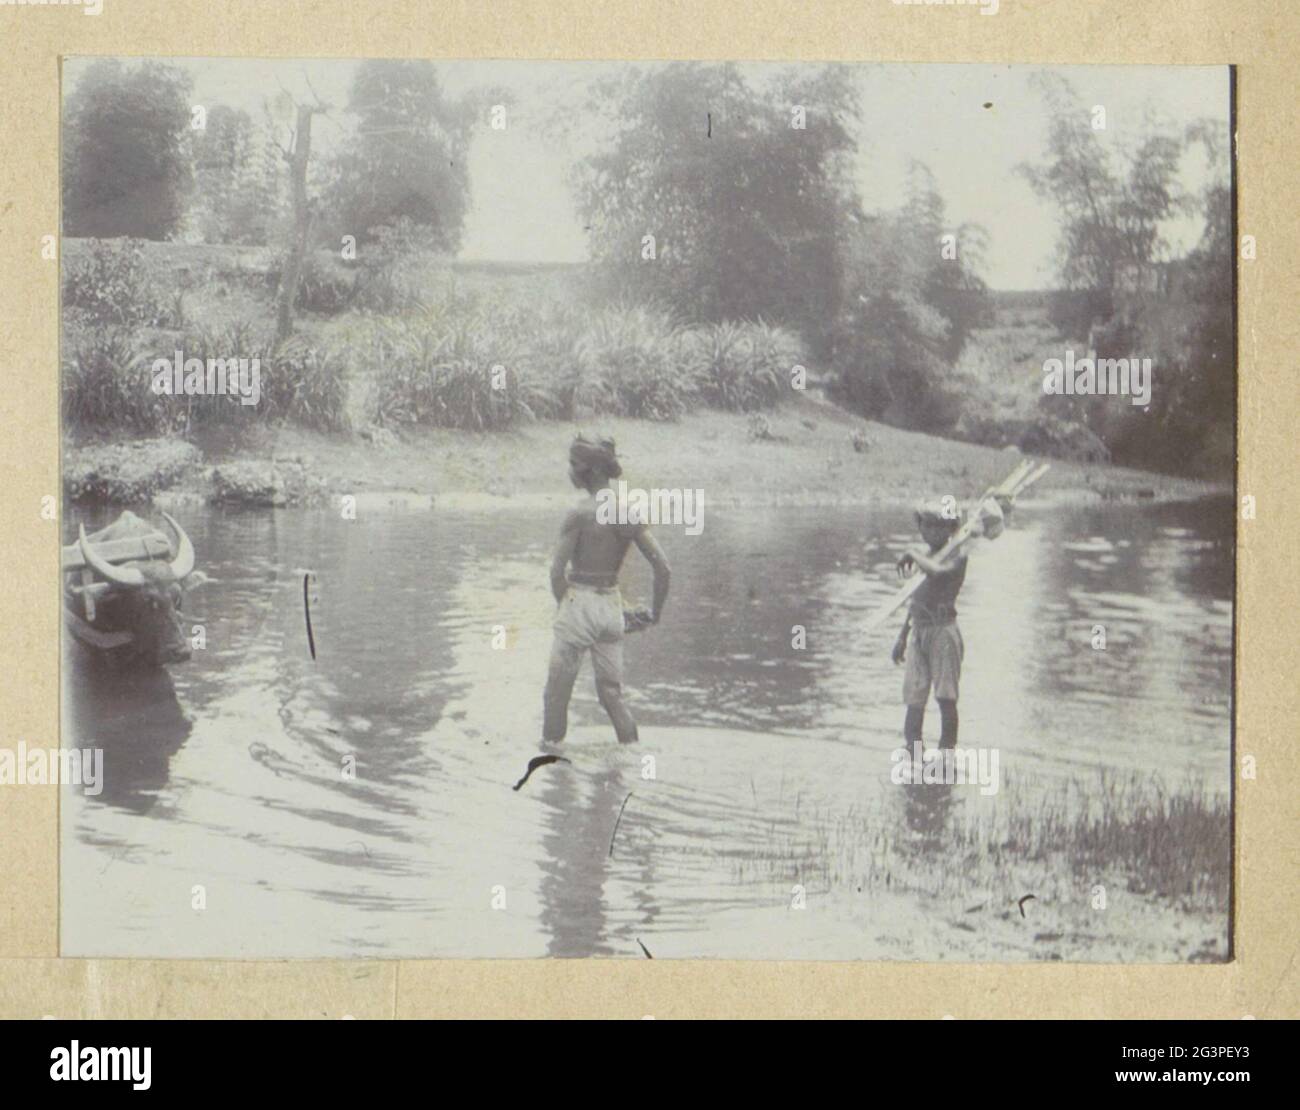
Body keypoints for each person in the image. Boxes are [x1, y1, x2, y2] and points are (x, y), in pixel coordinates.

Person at [542, 434, 670, 745]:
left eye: (575, 464)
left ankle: (551, 775)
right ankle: (630, 764)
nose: (570, 471)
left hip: (579, 603)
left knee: (556, 697)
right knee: (612, 696)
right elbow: (663, 568)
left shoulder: (580, 513)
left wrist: (567, 606)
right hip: (612, 608)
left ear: (593, 471)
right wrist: (653, 614)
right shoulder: (627, 512)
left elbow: (556, 572)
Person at [891, 501, 967, 751]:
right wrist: (903, 635)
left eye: (939, 525)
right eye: (927, 525)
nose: (933, 531)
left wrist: (913, 554)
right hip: (919, 631)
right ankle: (913, 754)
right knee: (914, 696)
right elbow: (915, 598)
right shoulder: (924, 557)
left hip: (943, 631)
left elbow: (939, 573)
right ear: (921, 528)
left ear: (951, 529)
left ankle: (947, 755)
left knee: (946, 696)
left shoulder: (958, 555)